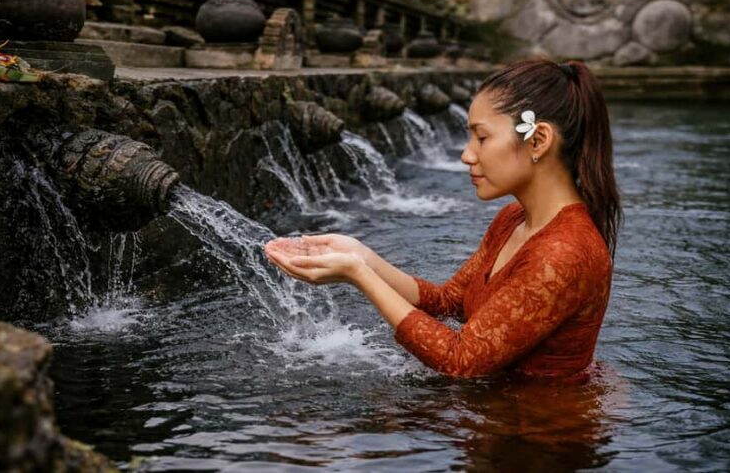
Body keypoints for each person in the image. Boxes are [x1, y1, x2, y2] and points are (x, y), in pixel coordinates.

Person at [265, 59, 622, 381]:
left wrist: (358, 275)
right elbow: (449, 301)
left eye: (482, 137)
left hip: (539, 427)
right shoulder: (513, 219)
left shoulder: (564, 252)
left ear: (538, 140)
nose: (467, 155)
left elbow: (461, 359)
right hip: (493, 414)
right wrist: (361, 256)